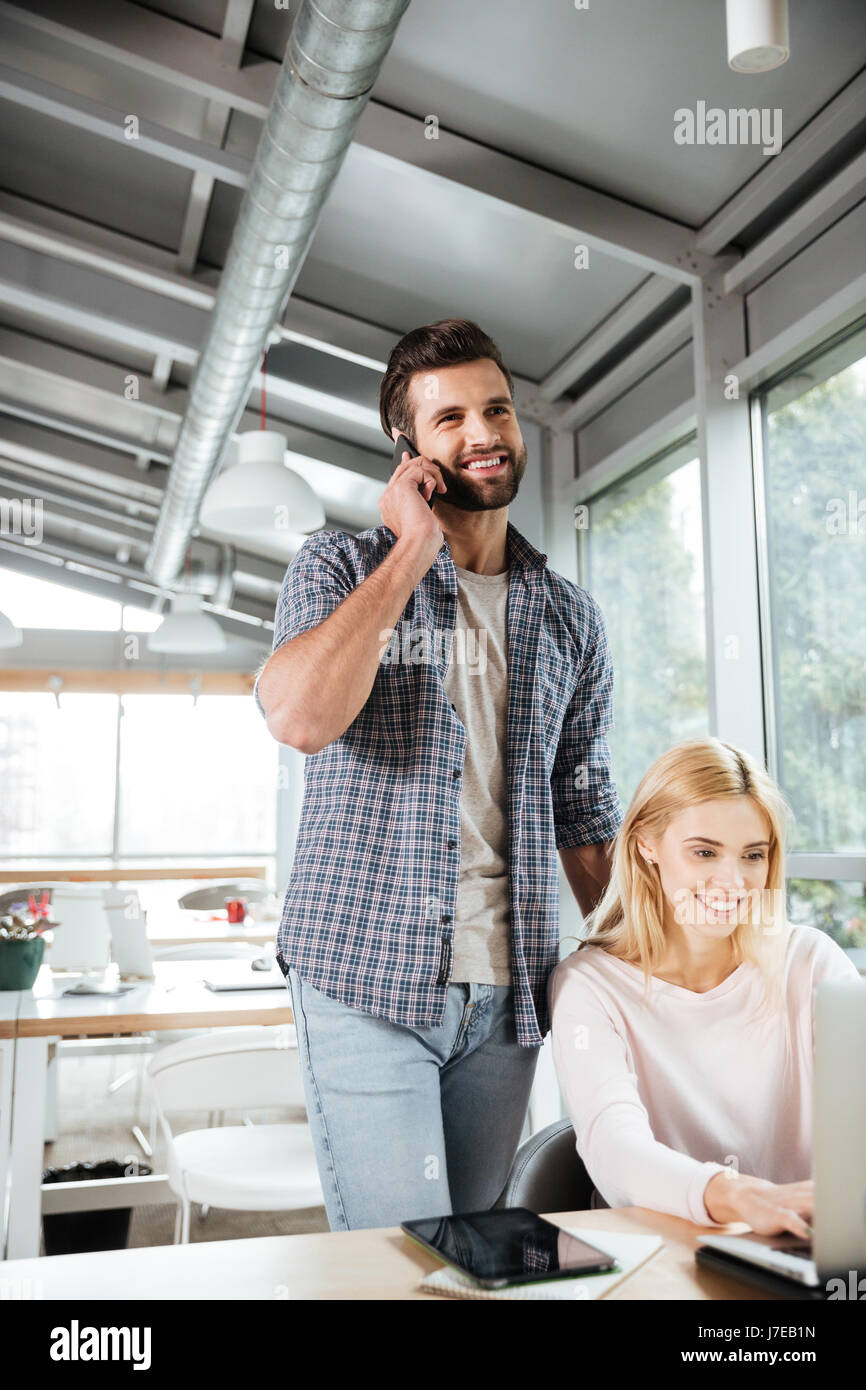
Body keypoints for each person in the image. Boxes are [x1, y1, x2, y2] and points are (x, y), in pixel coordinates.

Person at [255, 318, 623, 1230]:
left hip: (509, 994)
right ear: (407, 447)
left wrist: (641, 958)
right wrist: (411, 548)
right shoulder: (338, 567)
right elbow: (301, 716)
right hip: (367, 977)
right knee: (397, 1268)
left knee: (474, 1257)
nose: (483, 432)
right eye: (450, 417)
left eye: (495, 408)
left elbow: (583, 806)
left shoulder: (568, 616)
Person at [549, 736, 860, 1237]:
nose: (732, 882)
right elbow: (614, 1145)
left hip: (803, 1253)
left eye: (752, 855)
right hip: (662, 1254)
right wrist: (735, 1196)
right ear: (647, 843)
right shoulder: (590, 986)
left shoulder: (811, 961)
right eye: (704, 852)